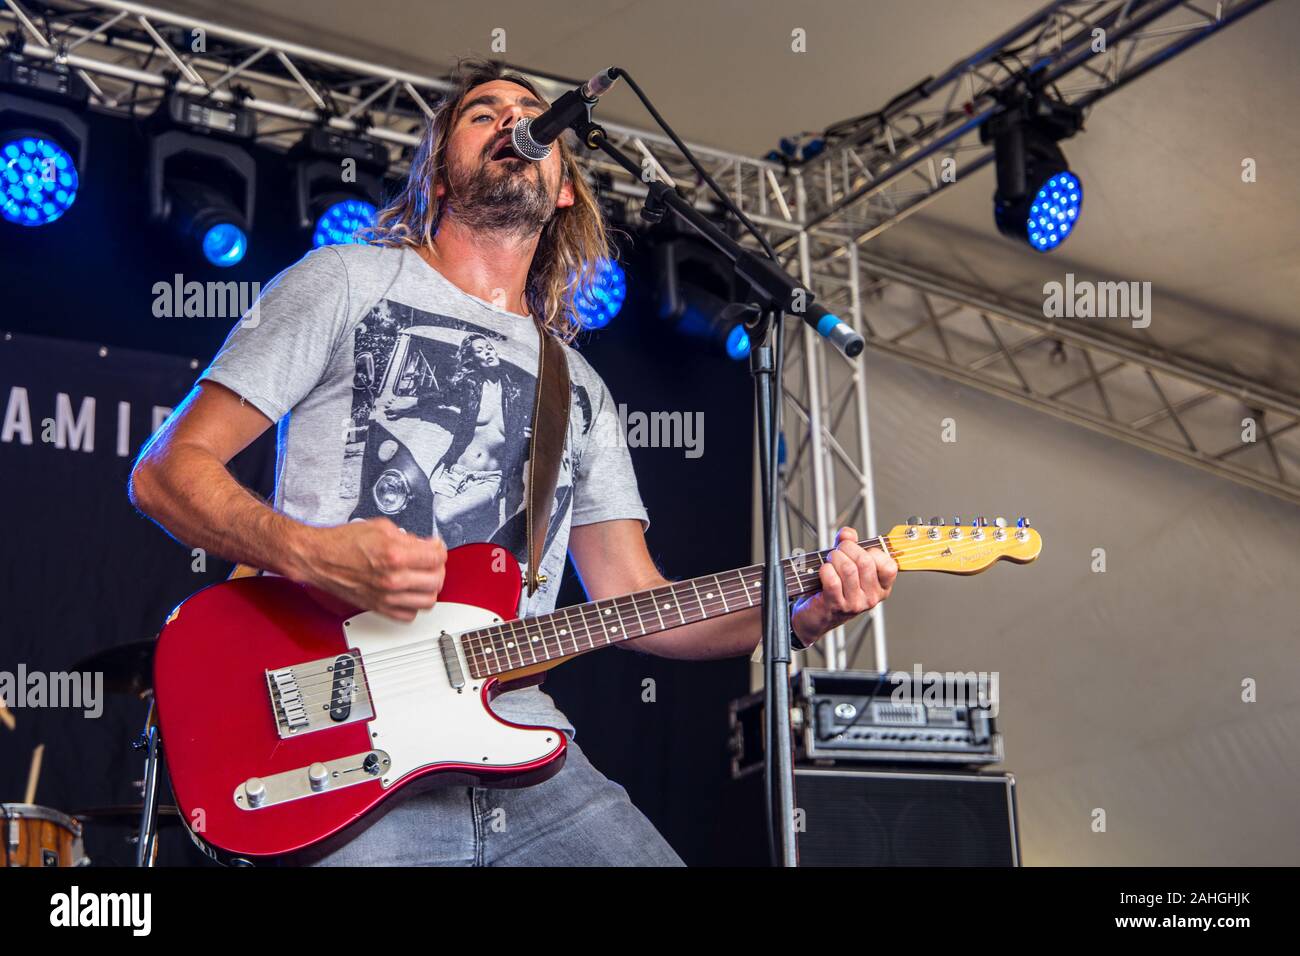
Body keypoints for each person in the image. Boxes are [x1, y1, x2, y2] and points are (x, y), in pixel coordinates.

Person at [128, 59, 898, 866]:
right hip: (337, 738)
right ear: (438, 173)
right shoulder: (342, 282)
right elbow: (167, 469)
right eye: (481, 113)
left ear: (564, 184)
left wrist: (801, 615)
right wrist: (311, 552)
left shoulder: (583, 387)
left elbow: (635, 598)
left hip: (523, 743)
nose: (511, 121)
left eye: (530, 113)